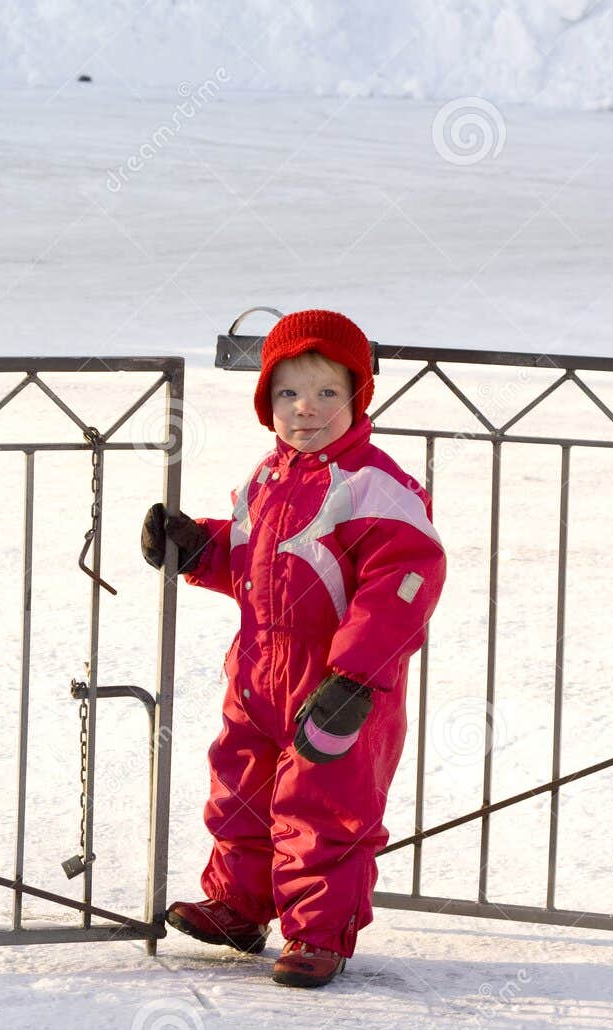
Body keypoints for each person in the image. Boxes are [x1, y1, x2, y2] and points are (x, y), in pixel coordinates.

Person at [141, 309, 446, 987]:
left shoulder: (376, 487)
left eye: (326, 393)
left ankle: (317, 934)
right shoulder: (267, 480)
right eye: (287, 394)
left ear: (356, 396)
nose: (306, 409)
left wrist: (355, 679)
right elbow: (255, 564)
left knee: (325, 809)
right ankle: (239, 906)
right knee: (240, 791)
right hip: (256, 679)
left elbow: (403, 585)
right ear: (266, 403)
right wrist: (200, 548)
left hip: (338, 691)